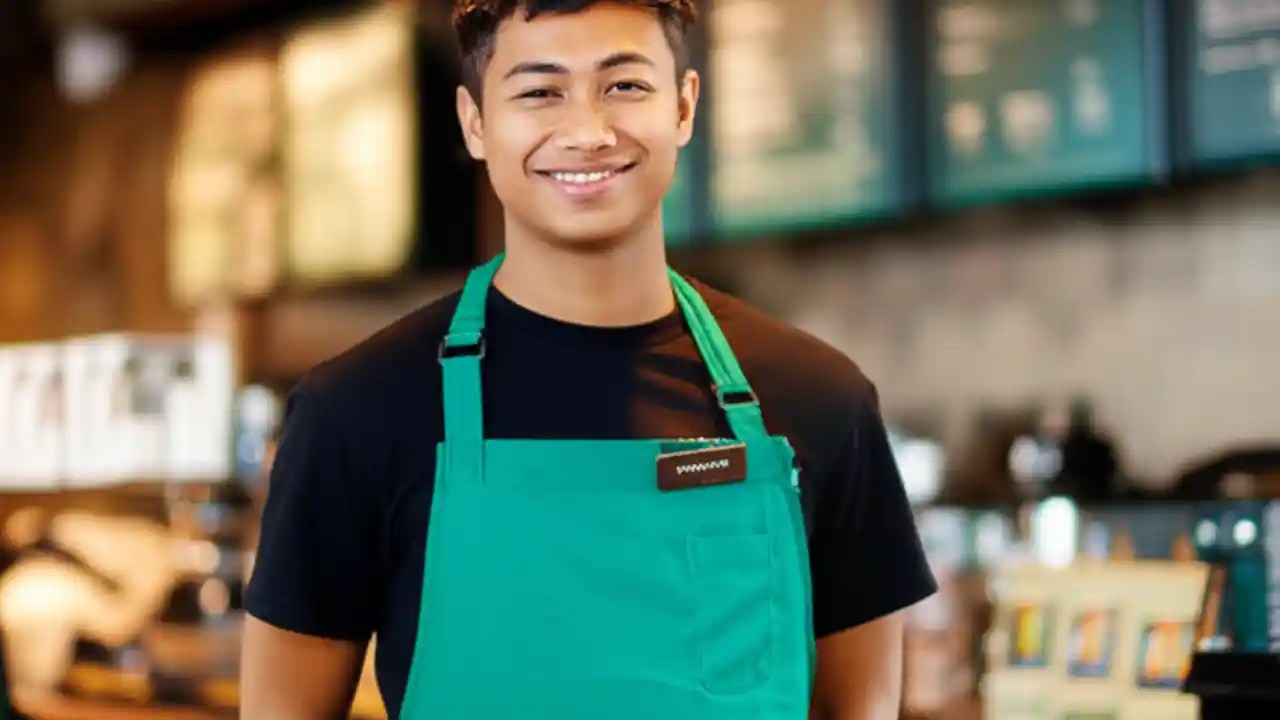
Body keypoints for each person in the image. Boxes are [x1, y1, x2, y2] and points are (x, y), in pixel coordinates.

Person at [240, 1, 937, 718]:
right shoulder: (356, 414)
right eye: (539, 92)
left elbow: (862, 705)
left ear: (684, 106)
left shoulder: (823, 401)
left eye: (625, 86)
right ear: (474, 122)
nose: (587, 132)